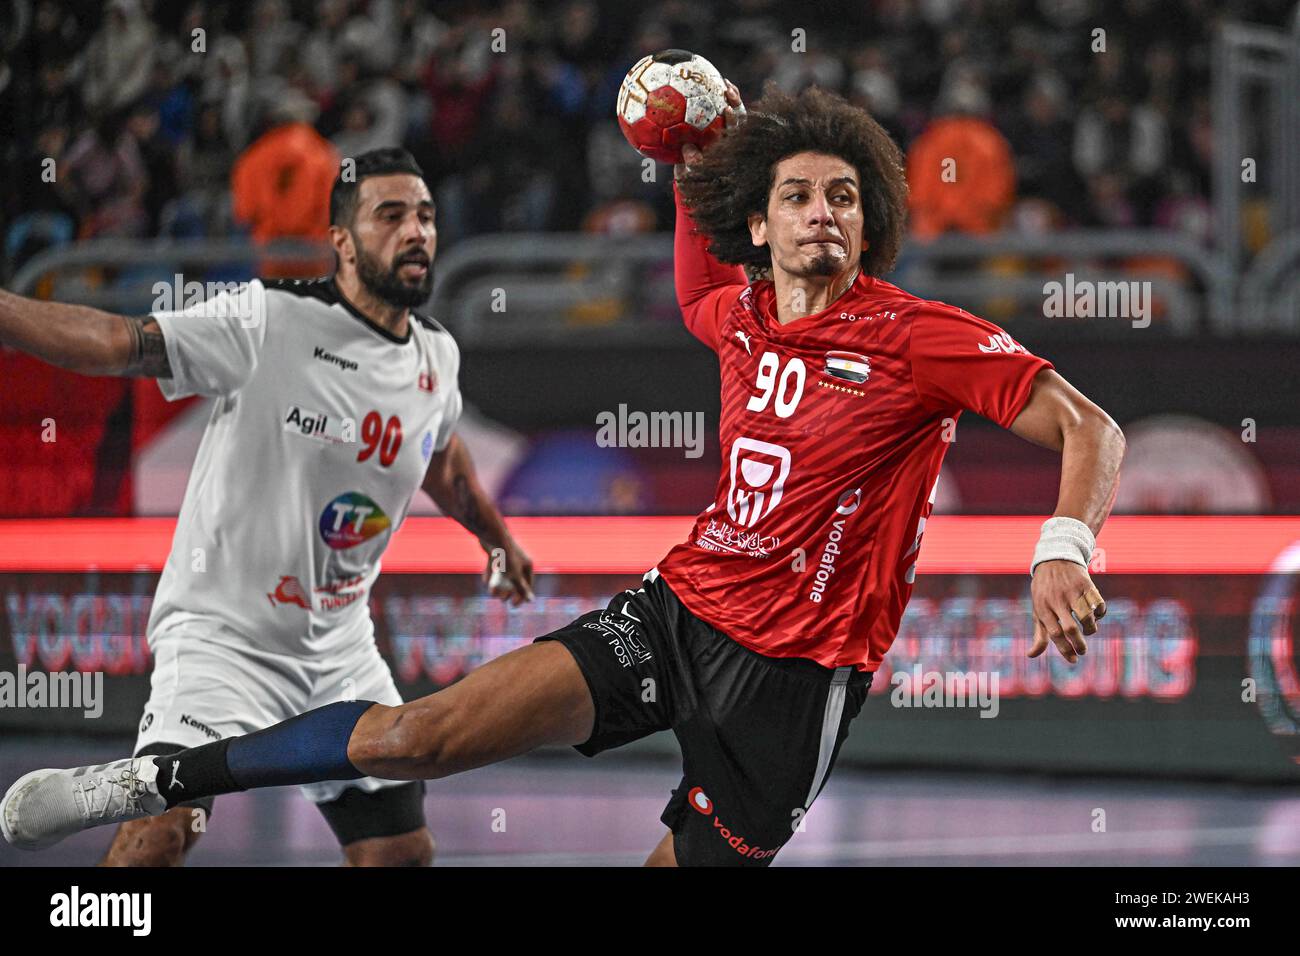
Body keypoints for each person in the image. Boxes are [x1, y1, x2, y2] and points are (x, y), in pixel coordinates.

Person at [2, 82, 1124, 867]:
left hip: (794, 683)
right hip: (677, 613)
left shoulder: (917, 335)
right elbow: (695, 278)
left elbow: (1091, 428)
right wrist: (688, 153)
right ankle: (150, 780)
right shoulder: (737, 313)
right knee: (417, 738)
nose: (821, 212)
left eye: (842, 196)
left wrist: (1062, 548)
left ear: (868, 221)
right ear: (760, 223)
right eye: (796, 195)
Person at [0, 148, 533, 866]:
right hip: (223, 640)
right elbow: (120, 342)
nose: (417, 232)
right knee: (160, 836)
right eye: (391, 215)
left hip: (339, 651)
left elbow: (441, 455)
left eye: (426, 216)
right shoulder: (268, 318)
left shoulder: (436, 355)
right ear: (343, 241)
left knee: (400, 853)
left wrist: (497, 539)